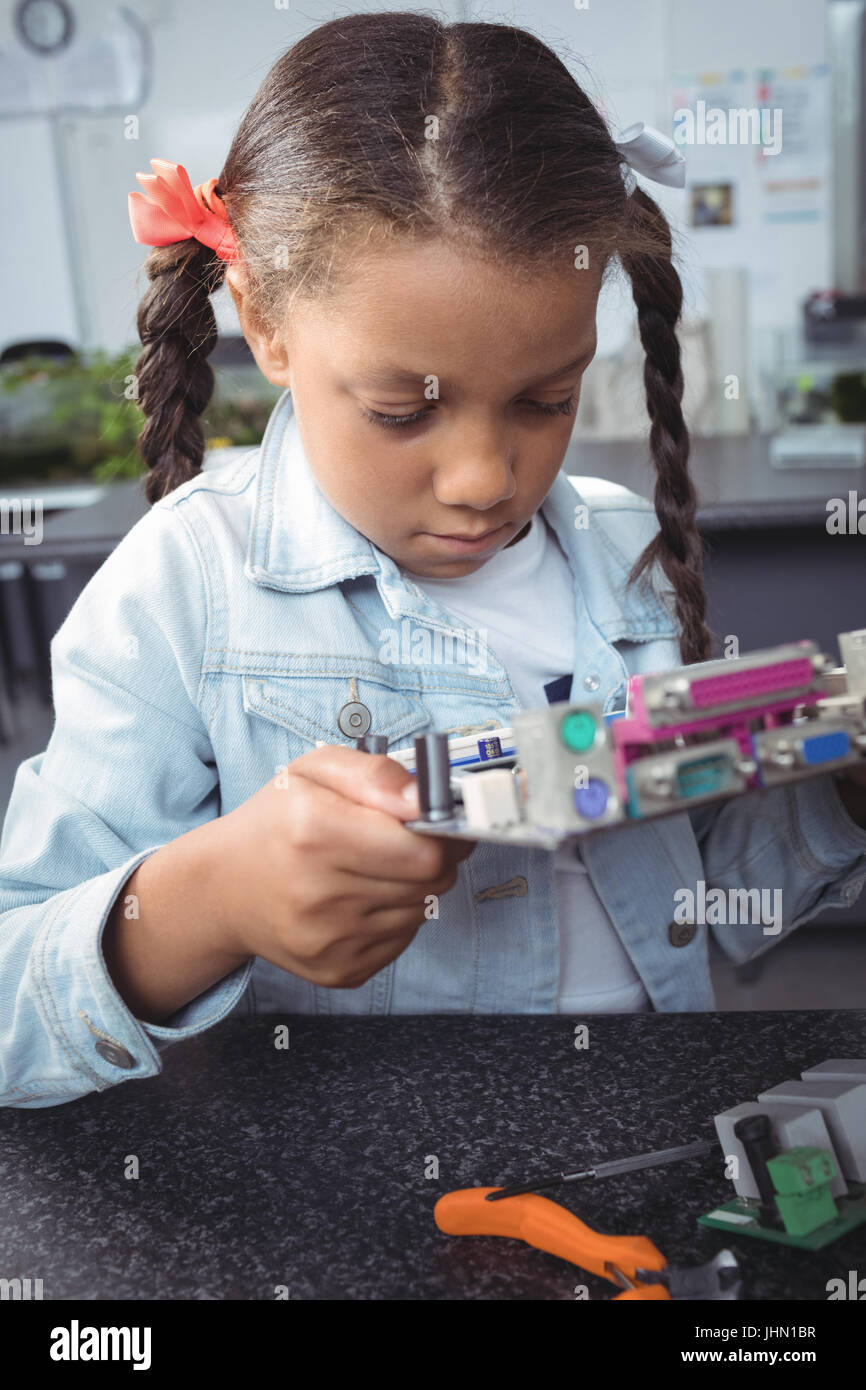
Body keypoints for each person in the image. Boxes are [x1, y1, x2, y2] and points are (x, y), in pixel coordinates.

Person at [2, 15, 865, 1110]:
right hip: (349, 1198)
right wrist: (205, 902)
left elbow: (700, 897)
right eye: (401, 409)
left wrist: (840, 788)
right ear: (265, 325)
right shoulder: (181, 590)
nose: (482, 478)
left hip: (651, 1138)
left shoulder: (611, 547)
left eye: (544, 400)